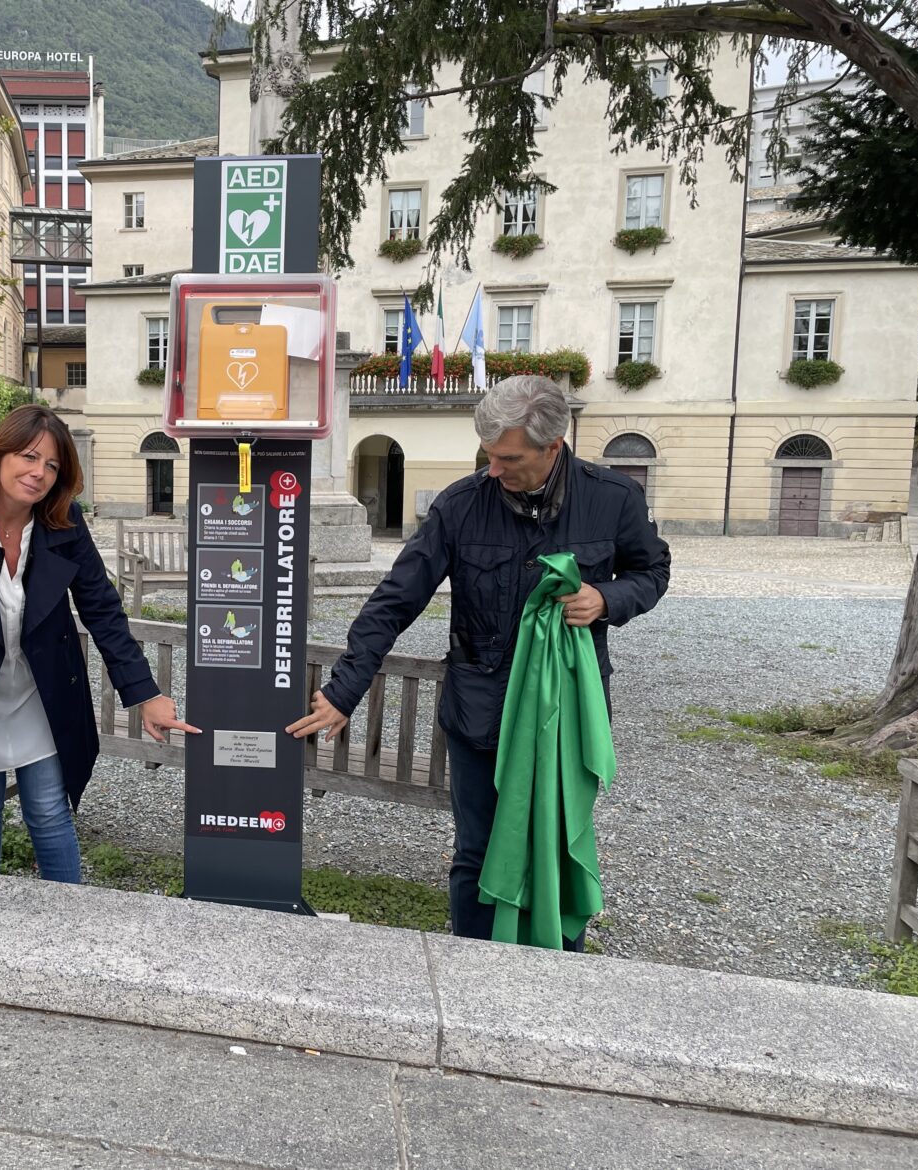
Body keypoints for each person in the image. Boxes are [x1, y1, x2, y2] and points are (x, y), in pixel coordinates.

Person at [286, 375, 670, 943]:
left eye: (508, 459)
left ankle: (555, 970)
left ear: (553, 446)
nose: (493, 470)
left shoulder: (614, 498)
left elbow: (652, 571)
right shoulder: (461, 505)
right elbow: (395, 600)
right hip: (479, 711)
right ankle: (472, 971)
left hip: (564, 716)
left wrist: (607, 599)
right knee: (477, 851)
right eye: (487, 455)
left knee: (554, 845)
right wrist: (345, 690)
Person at [0, 404, 200, 883]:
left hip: (38, 691)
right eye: (29, 457)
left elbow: (101, 608)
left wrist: (144, 692)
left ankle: (69, 914)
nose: (39, 473)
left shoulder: (63, 520)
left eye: (52, 465)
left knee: (48, 809)